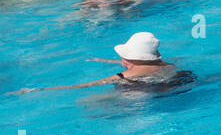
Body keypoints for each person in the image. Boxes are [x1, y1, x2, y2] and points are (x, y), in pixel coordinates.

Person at [17, 32, 186, 93]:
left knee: (88, 103)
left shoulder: (124, 75)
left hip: (140, 97)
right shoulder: (165, 65)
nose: (121, 60)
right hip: (171, 86)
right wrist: (103, 60)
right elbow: (143, 66)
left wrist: (37, 89)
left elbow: (84, 86)